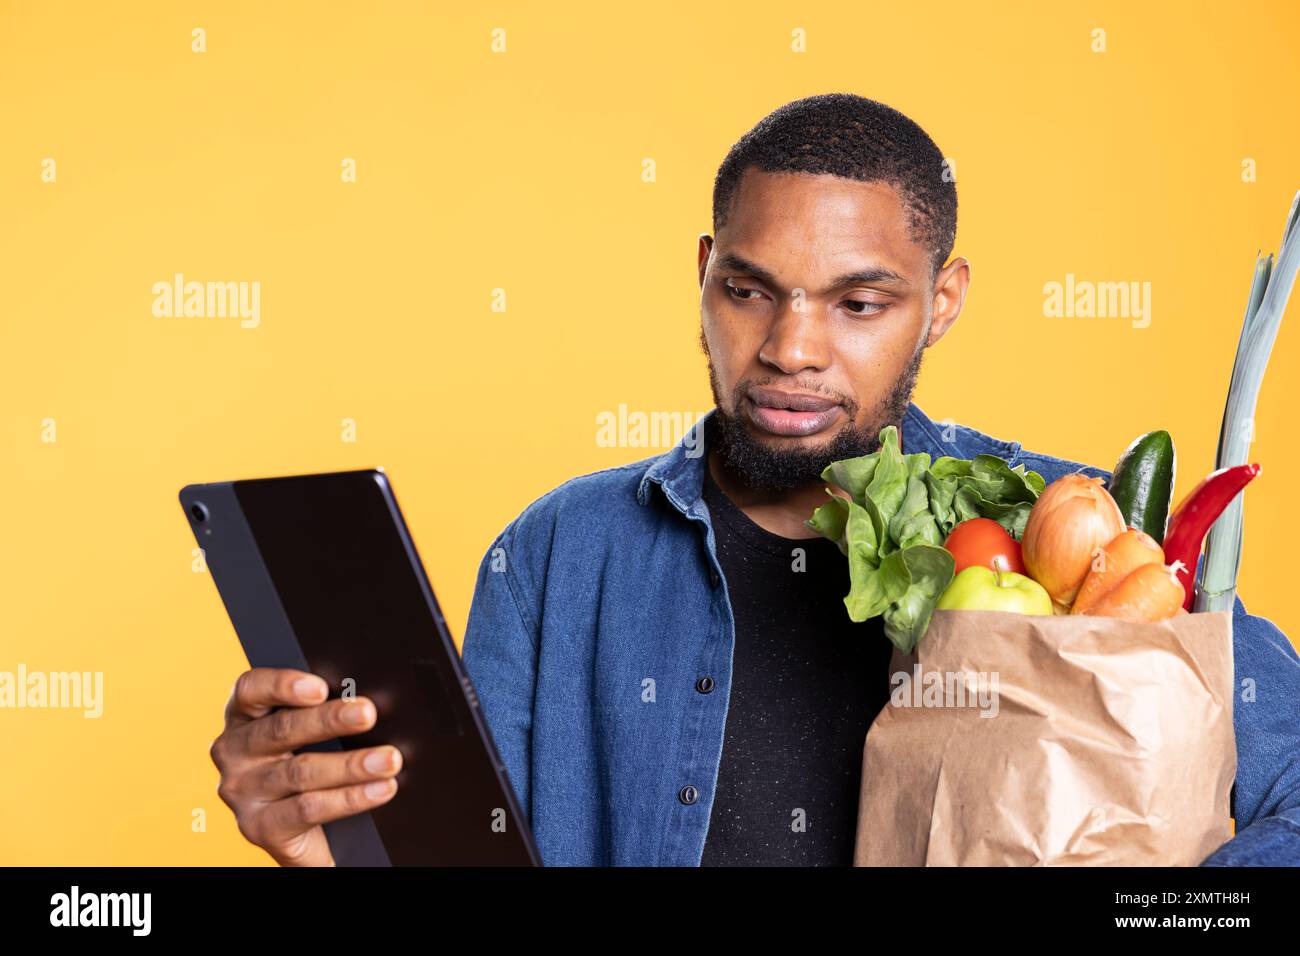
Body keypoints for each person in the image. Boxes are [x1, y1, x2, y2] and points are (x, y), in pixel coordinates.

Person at [208, 93, 1300, 866]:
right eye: (749, 290)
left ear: (945, 299)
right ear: (701, 278)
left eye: (858, 303)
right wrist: (335, 844)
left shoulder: (1083, 534)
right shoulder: (555, 555)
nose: (790, 347)